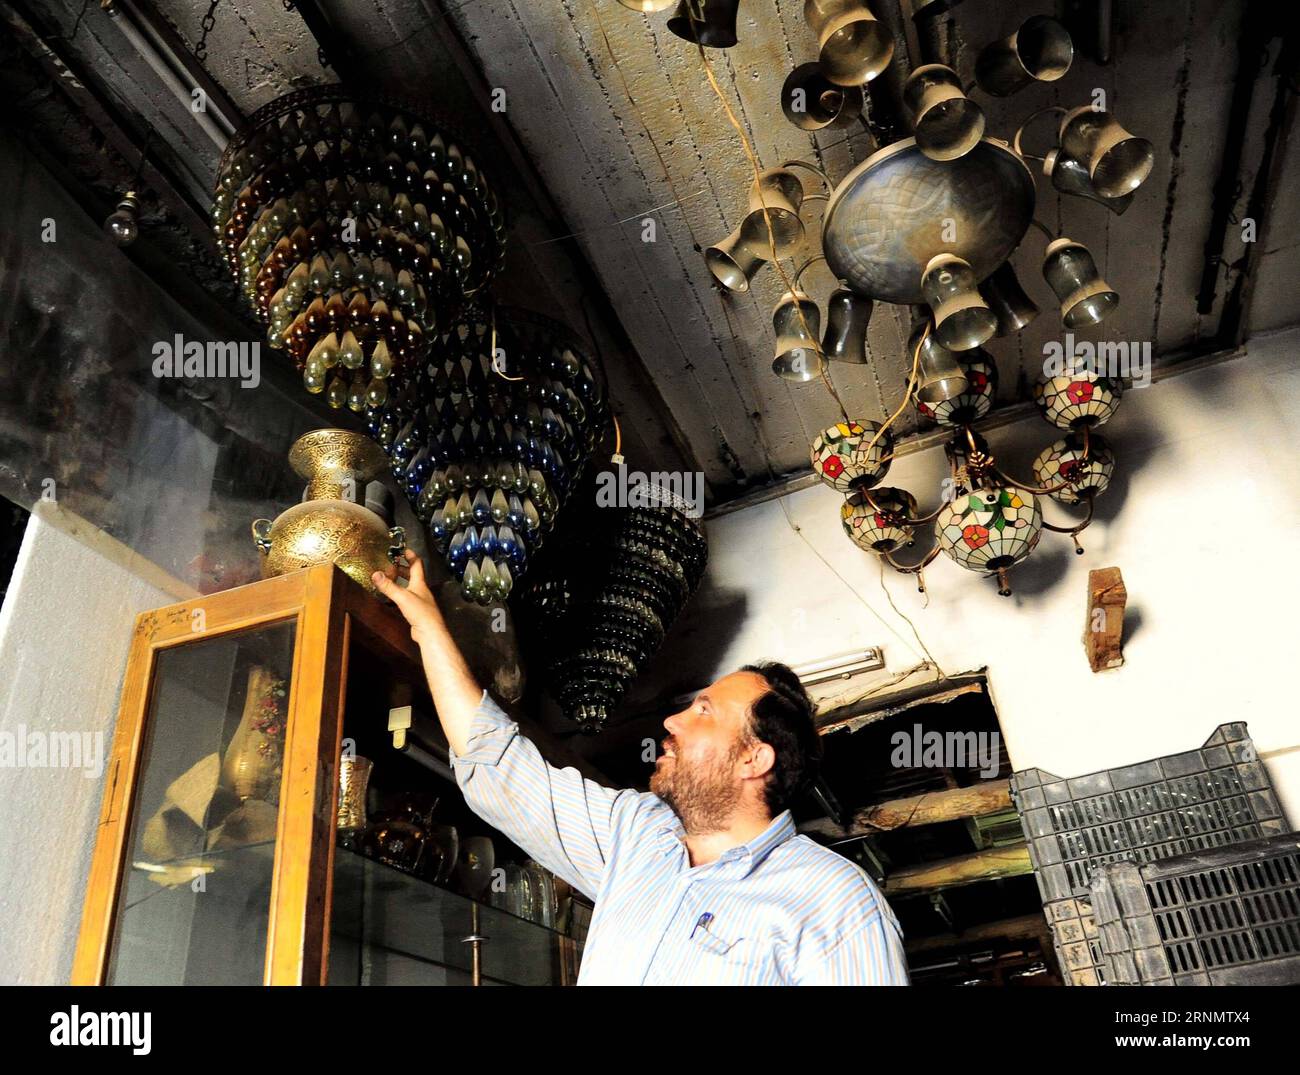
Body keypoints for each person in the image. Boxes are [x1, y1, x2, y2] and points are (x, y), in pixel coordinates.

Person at [373, 551, 910, 986]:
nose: (674, 720)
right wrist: (426, 628)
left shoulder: (836, 903)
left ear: (754, 758)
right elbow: (500, 764)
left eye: (704, 711)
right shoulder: (635, 833)